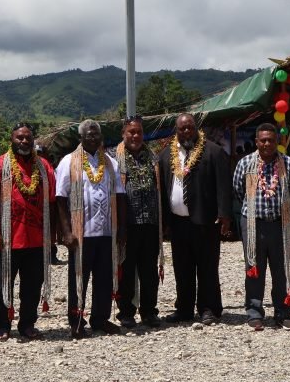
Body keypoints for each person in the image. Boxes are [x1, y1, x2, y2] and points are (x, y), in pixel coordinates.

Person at [0, 123, 57, 341]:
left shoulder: (44, 166)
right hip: (8, 239)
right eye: (19, 138)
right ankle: (2, 325)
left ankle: (27, 324)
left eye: (27, 138)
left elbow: (52, 201)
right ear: (11, 140)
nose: (24, 141)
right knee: (3, 283)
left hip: (36, 239)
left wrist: (51, 234)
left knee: (33, 286)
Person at [159, 113, 232, 325]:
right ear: (176, 131)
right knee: (182, 268)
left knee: (207, 266)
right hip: (178, 222)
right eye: (182, 129)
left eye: (190, 127)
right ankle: (184, 309)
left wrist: (225, 214)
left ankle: (208, 308)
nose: (187, 132)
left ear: (196, 128)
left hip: (205, 220)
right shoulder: (166, 155)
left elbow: (223, 186)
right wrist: (163, 220)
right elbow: (163, 189)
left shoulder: (213, 152)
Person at [56, 119, 125, 339]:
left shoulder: (111, 163)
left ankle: (100, 318)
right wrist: (66, 231)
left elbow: (121, 196)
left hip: (105, 231)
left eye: (96, 134)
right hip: (80, 233)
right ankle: (76, 321)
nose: (93, 138)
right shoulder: (69, 162)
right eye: (89, 134)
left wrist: (121, 229)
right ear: (81, 138)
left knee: (104, 278)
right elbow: (60, 199)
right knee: (78, 278)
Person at [232, 123, 290, 331]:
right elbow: (238, 191)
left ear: (277, 141)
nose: (267, 144)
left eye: (271, 140)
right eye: (263, 140)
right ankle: (254, 312)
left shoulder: (288, 165)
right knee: (254, 268)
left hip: (281, 224)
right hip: (253, 223)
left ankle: (282, 313)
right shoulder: (245, 164)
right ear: (256, 142)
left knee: (281, 269)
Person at [115, 116, 164, 329]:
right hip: (128, 225)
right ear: (123, 134)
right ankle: (126, 312)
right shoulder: (114, 160)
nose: (135, 136)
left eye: (139, 132)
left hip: (150, 223)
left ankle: (149, 311)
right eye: (131, 132)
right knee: (126, 270)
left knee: (149, 271)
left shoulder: (152, 157)